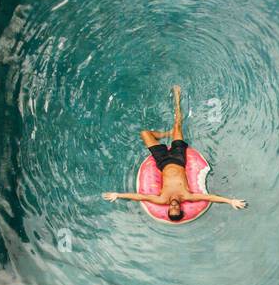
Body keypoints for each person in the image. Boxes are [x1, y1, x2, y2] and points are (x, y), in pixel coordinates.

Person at [103, 85, 247, 220]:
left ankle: (167, 134)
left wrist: (118, 195)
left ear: (168, 209)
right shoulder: (187, 196)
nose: (174, 205)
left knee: (145, 133)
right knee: (178, 125)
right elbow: (210, 198)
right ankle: (177, 97)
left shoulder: (162, 199)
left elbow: (140, 197)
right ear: (181, 208)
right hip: (178, 158)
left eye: (171, 208)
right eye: (177, 208)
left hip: (162, 161)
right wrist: (230, 201)